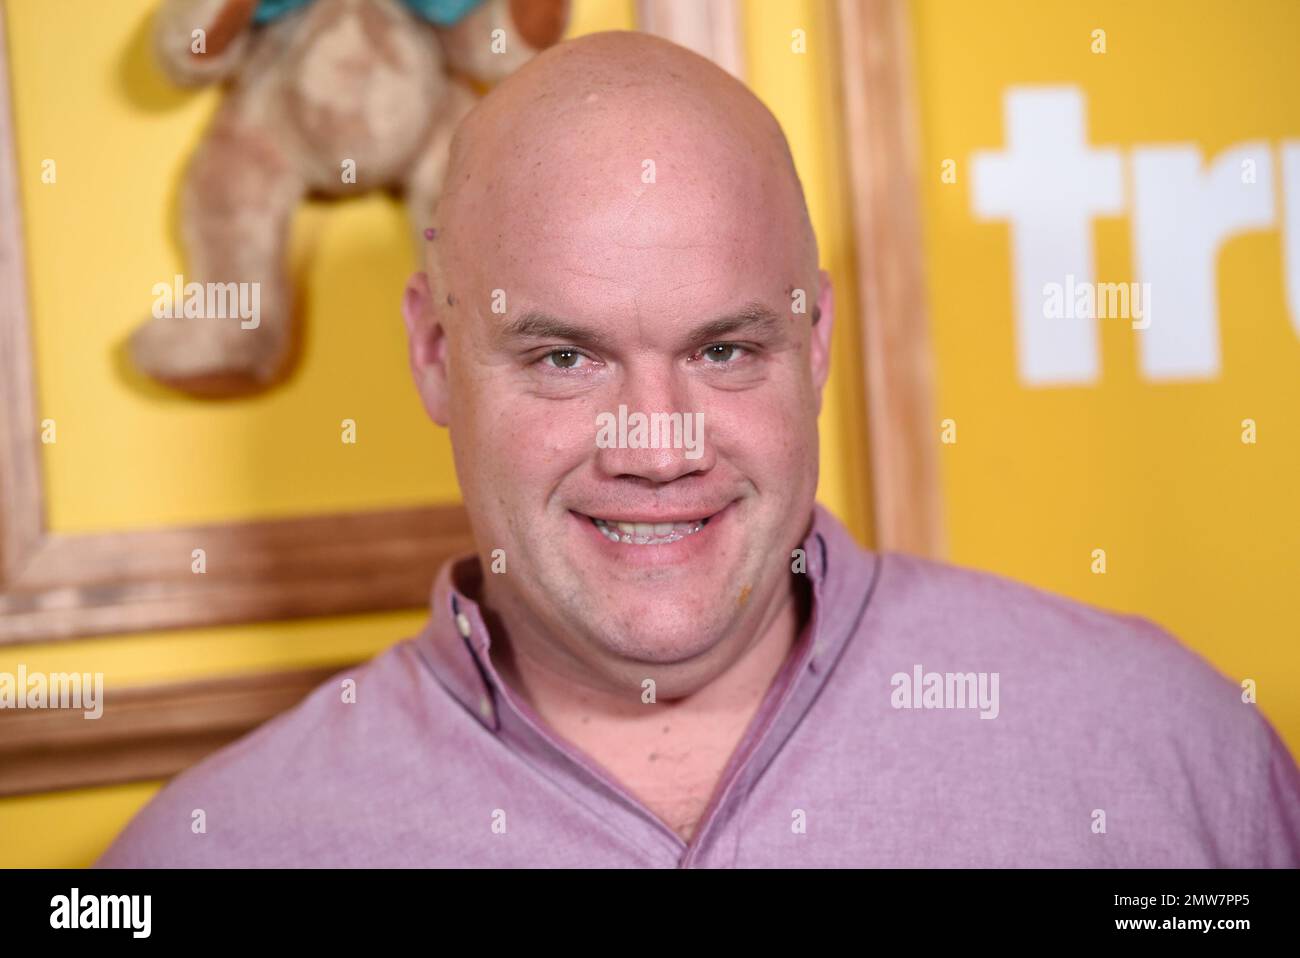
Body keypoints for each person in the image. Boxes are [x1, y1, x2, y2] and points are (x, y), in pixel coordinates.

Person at [97, 30, 1300, 868]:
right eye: (563, 357)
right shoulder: (221, 851)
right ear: (430, 352)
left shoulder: (1166, 751)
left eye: (727, 350)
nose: (659, 446)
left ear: (816, 341)